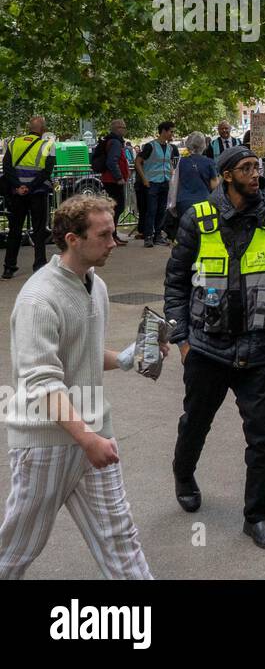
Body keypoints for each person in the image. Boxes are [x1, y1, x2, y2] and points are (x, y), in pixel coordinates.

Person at [0, 195, 154, 578]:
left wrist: (124, 357)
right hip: (46, 445)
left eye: (113, 233)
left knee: (121, 541)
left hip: (91, 438)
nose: (114, 242)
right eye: (104, 235)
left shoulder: (95, 285)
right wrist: (87, 438)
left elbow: (80, 352)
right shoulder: (39, 298)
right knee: (16, 551)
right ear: (72, 239)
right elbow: (41, 381)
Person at [166, 147, 265, 549]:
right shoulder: (197, 220)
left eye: (258, 167)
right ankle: (183, 473)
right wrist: (182, 339)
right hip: (207, 349)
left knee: (262, 440)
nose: (256, 174)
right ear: (227, 175)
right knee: (195, 423)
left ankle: (256, 517)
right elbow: (176, 285)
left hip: (256, 351)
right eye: (247, 168)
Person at [2, 116, 54, 279]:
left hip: (17, 194)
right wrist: (30, 187)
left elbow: (7, 168)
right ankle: (39, 265)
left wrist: (18, 186)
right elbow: (47, 171)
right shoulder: (48, 145)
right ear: (43, 129)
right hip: (37, 193)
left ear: (29, 128)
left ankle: (9, 267)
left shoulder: (13, 143)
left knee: (15, 230)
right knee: (39, 230)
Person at [135, 121, 177, 247]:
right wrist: (144, 179)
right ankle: (148, 236)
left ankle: (157, 235)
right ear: (163, 131)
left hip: (164, 181)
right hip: (152, 182)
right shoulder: (150, 146)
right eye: (171, 131)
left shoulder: (170, 147)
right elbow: (138, 161)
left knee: (161, 210)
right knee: (151, 210)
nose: (172, 134)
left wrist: (172, 177)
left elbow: (169, 163)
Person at [174, 131, 220, 217]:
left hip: (183, 202)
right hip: (203, 202)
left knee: (185, 228)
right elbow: (214, 185)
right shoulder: (209, 162)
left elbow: (176, 182)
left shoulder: (181, 162)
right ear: (204, 145)